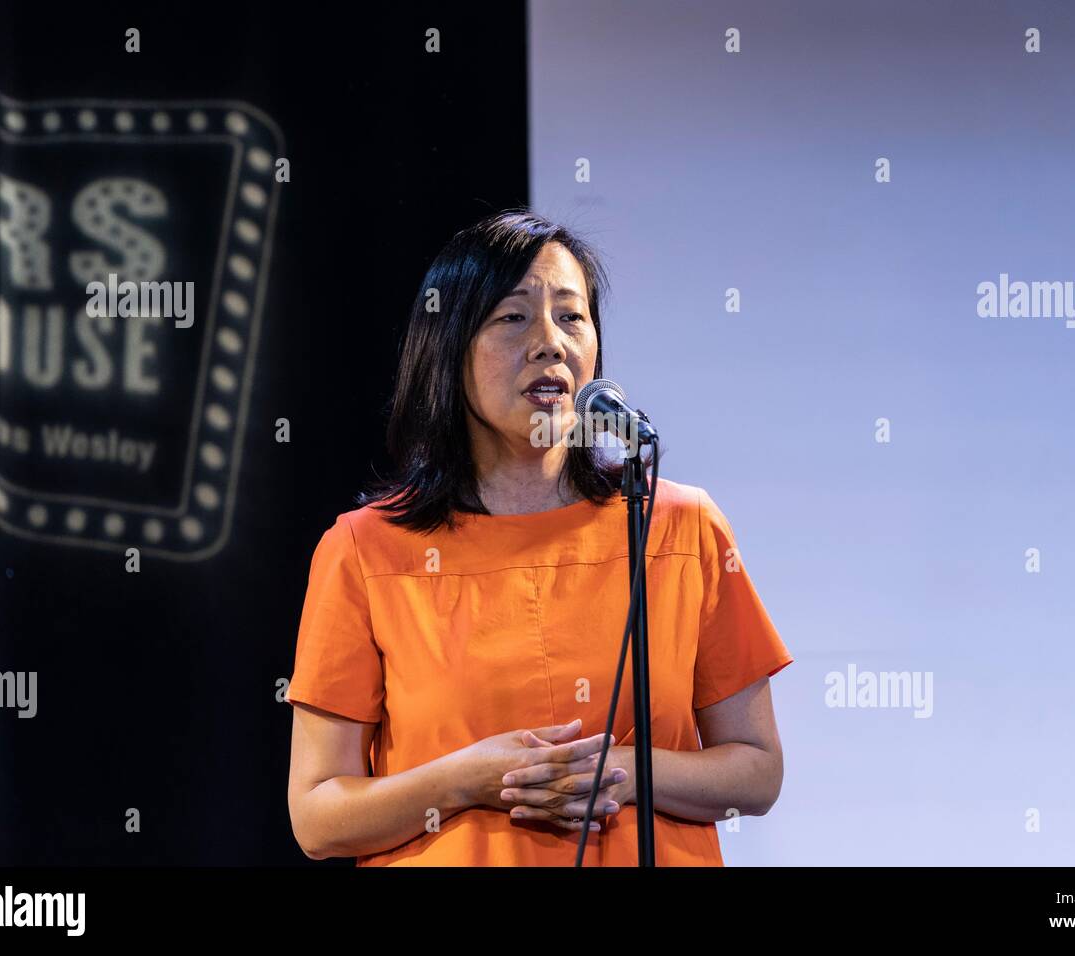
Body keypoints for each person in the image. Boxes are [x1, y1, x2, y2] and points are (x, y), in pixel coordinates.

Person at [285, 209, 793, 865]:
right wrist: (468, 779)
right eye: (512, 316)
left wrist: (624, 771)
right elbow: (318, 815)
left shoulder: (680, 526)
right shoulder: (365, 550)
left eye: (571, 316)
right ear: (449, 347)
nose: (550, 342)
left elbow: (756, 770)